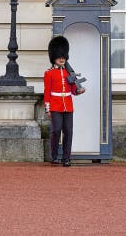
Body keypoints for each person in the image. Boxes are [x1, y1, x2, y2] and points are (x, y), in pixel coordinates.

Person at [43, 35, 84, 166]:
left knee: (68, 131)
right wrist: (48, 108)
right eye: (60, 56)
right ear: (54, 57)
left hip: (68, 105)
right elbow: (47, 91)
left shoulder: (68, 73)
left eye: (64, 56)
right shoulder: (49, 73)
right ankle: (54, 156)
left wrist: (78, 91)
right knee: (56, 130)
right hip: (55, 106)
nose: (62, 58)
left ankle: (66, 158)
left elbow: (72, 90)